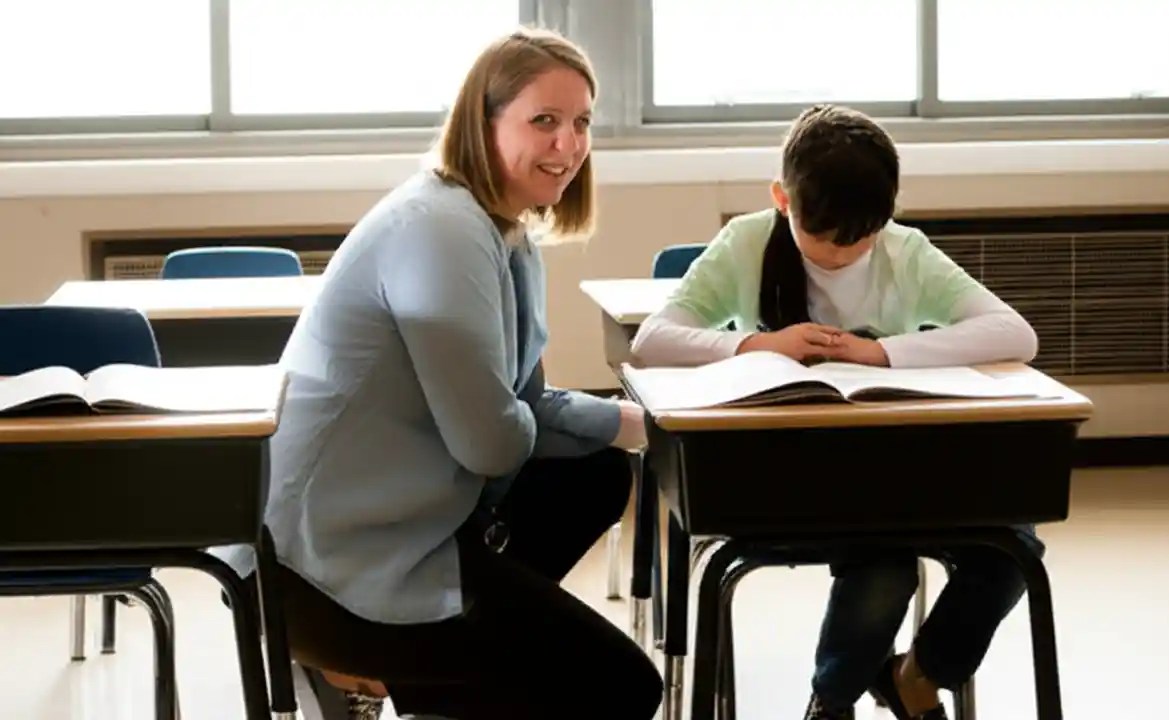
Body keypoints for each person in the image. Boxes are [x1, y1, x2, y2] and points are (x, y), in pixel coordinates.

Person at [221, 26, 661, 720]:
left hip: (387, 524)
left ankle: (440, 687)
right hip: (314, 567)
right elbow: (490, 442)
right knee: (625, 686)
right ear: (480, 124)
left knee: (596, 473)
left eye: (581, 123)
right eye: (542, 120)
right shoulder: (442, 230)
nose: (568, 145)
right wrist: (541, 417)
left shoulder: (502, 228)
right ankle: (393, 667)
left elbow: (520, 405)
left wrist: (637, 423)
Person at [630, 104, 1041, 720]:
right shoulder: (747, 242)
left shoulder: (905, 253)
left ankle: (916, 679)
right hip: (785, 471)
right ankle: (833, 700)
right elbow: (653, 340)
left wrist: (883, 353)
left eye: (863, 237)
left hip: (892, 465)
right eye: (824, 238)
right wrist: (758, 344)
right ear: (782, 200)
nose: (844, 253)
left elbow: (1015, 335)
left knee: (1014, 551)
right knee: (886, 572)